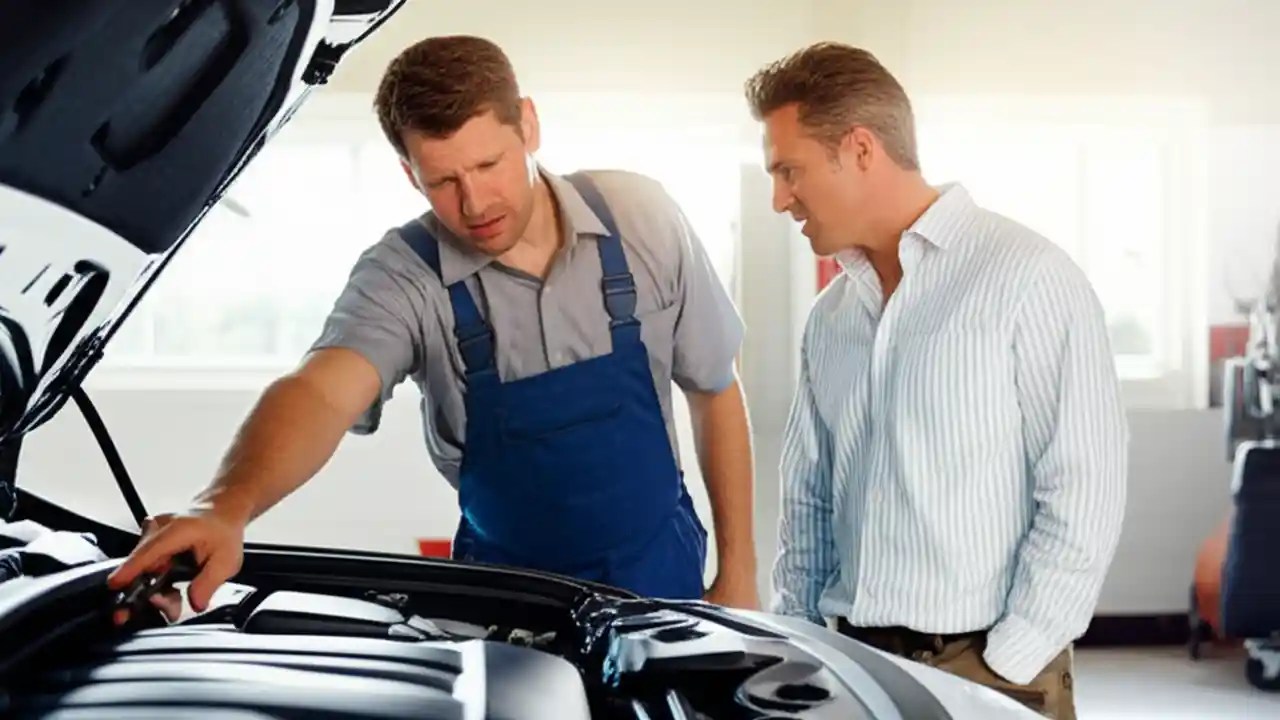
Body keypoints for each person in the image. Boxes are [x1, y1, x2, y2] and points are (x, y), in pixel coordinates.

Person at [108, 34, 759, 617]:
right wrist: (225, 505)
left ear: (527, 125)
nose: (474, 203)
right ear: (407, 172)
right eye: (443, 180)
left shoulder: (641, 216)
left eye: (488, 166)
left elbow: (714, 388)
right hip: (504, 611)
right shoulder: (402, 275)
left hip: (663, 590)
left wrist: (738, 575)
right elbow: (321, 391)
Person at [744, 42, 1128, 719]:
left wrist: (1009, 660)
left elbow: (1083, 487)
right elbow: (808, 502)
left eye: (789, 170)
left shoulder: (1028, 277)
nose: (779, 198)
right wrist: (797, 640)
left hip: (991, 669)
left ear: (860, 148)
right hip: (850, 662)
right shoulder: (830, 318)